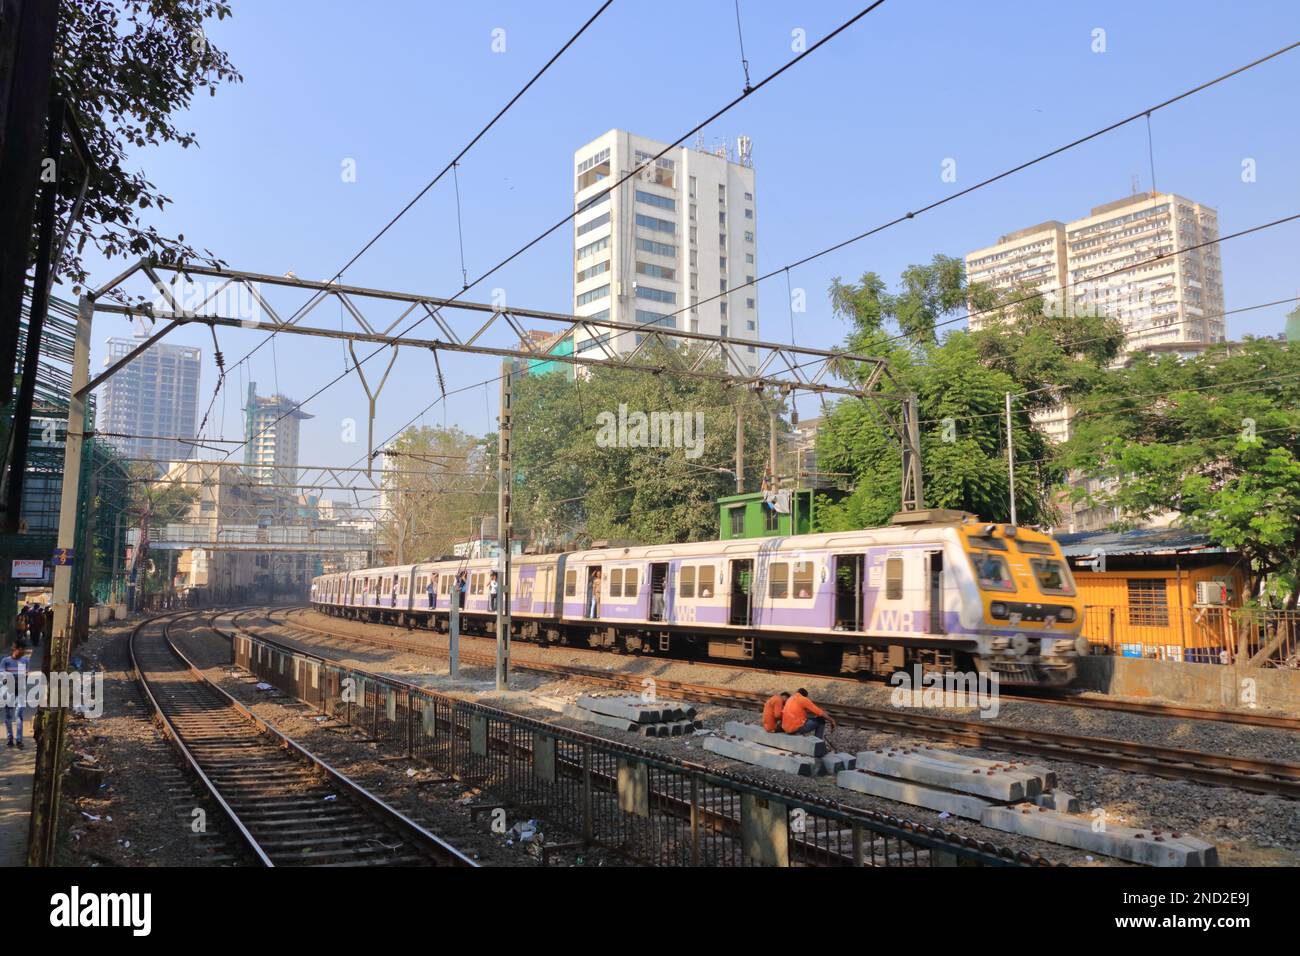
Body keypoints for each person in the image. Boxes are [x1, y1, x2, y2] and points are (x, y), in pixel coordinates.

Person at [2, 644, 28, 749]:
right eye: (21, 650)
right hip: (9, 692)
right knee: (9, 716)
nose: (22, 652)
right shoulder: (5, 661)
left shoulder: (24, 660)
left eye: (23, 650)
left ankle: (19, 740)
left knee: (18, 715)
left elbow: (24, 675)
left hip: (20, 691)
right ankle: (10, 738)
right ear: (14, 649)